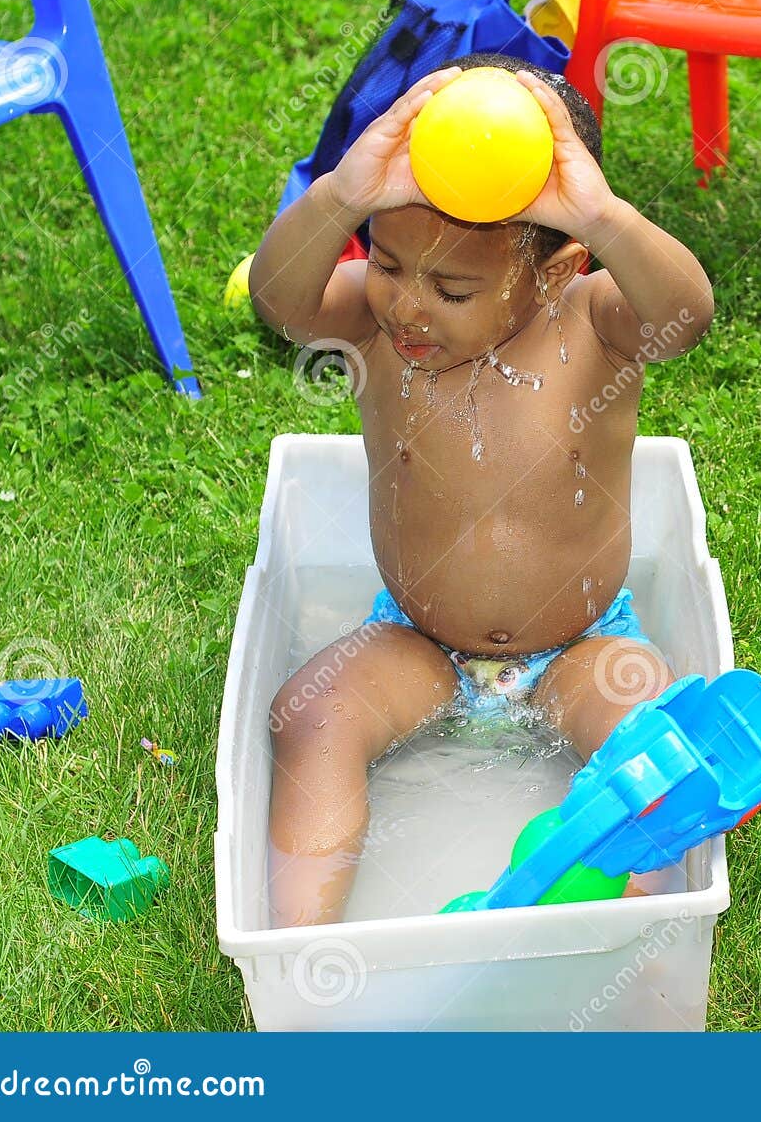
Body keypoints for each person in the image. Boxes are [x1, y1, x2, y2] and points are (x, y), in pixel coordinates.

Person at [248, 53, 714, 926]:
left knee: (659, 756)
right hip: (417, 639)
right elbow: (278, 301)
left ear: (555, 269)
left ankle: (626, 939)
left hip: (580, 648)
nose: (408, 308)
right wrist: (345, 194)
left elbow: (686, 316)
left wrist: (603, 214)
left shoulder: (597, 327)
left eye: (451, 287)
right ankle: (297, 955)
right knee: (307, 717)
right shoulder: (370, 326)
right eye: (386, 264)